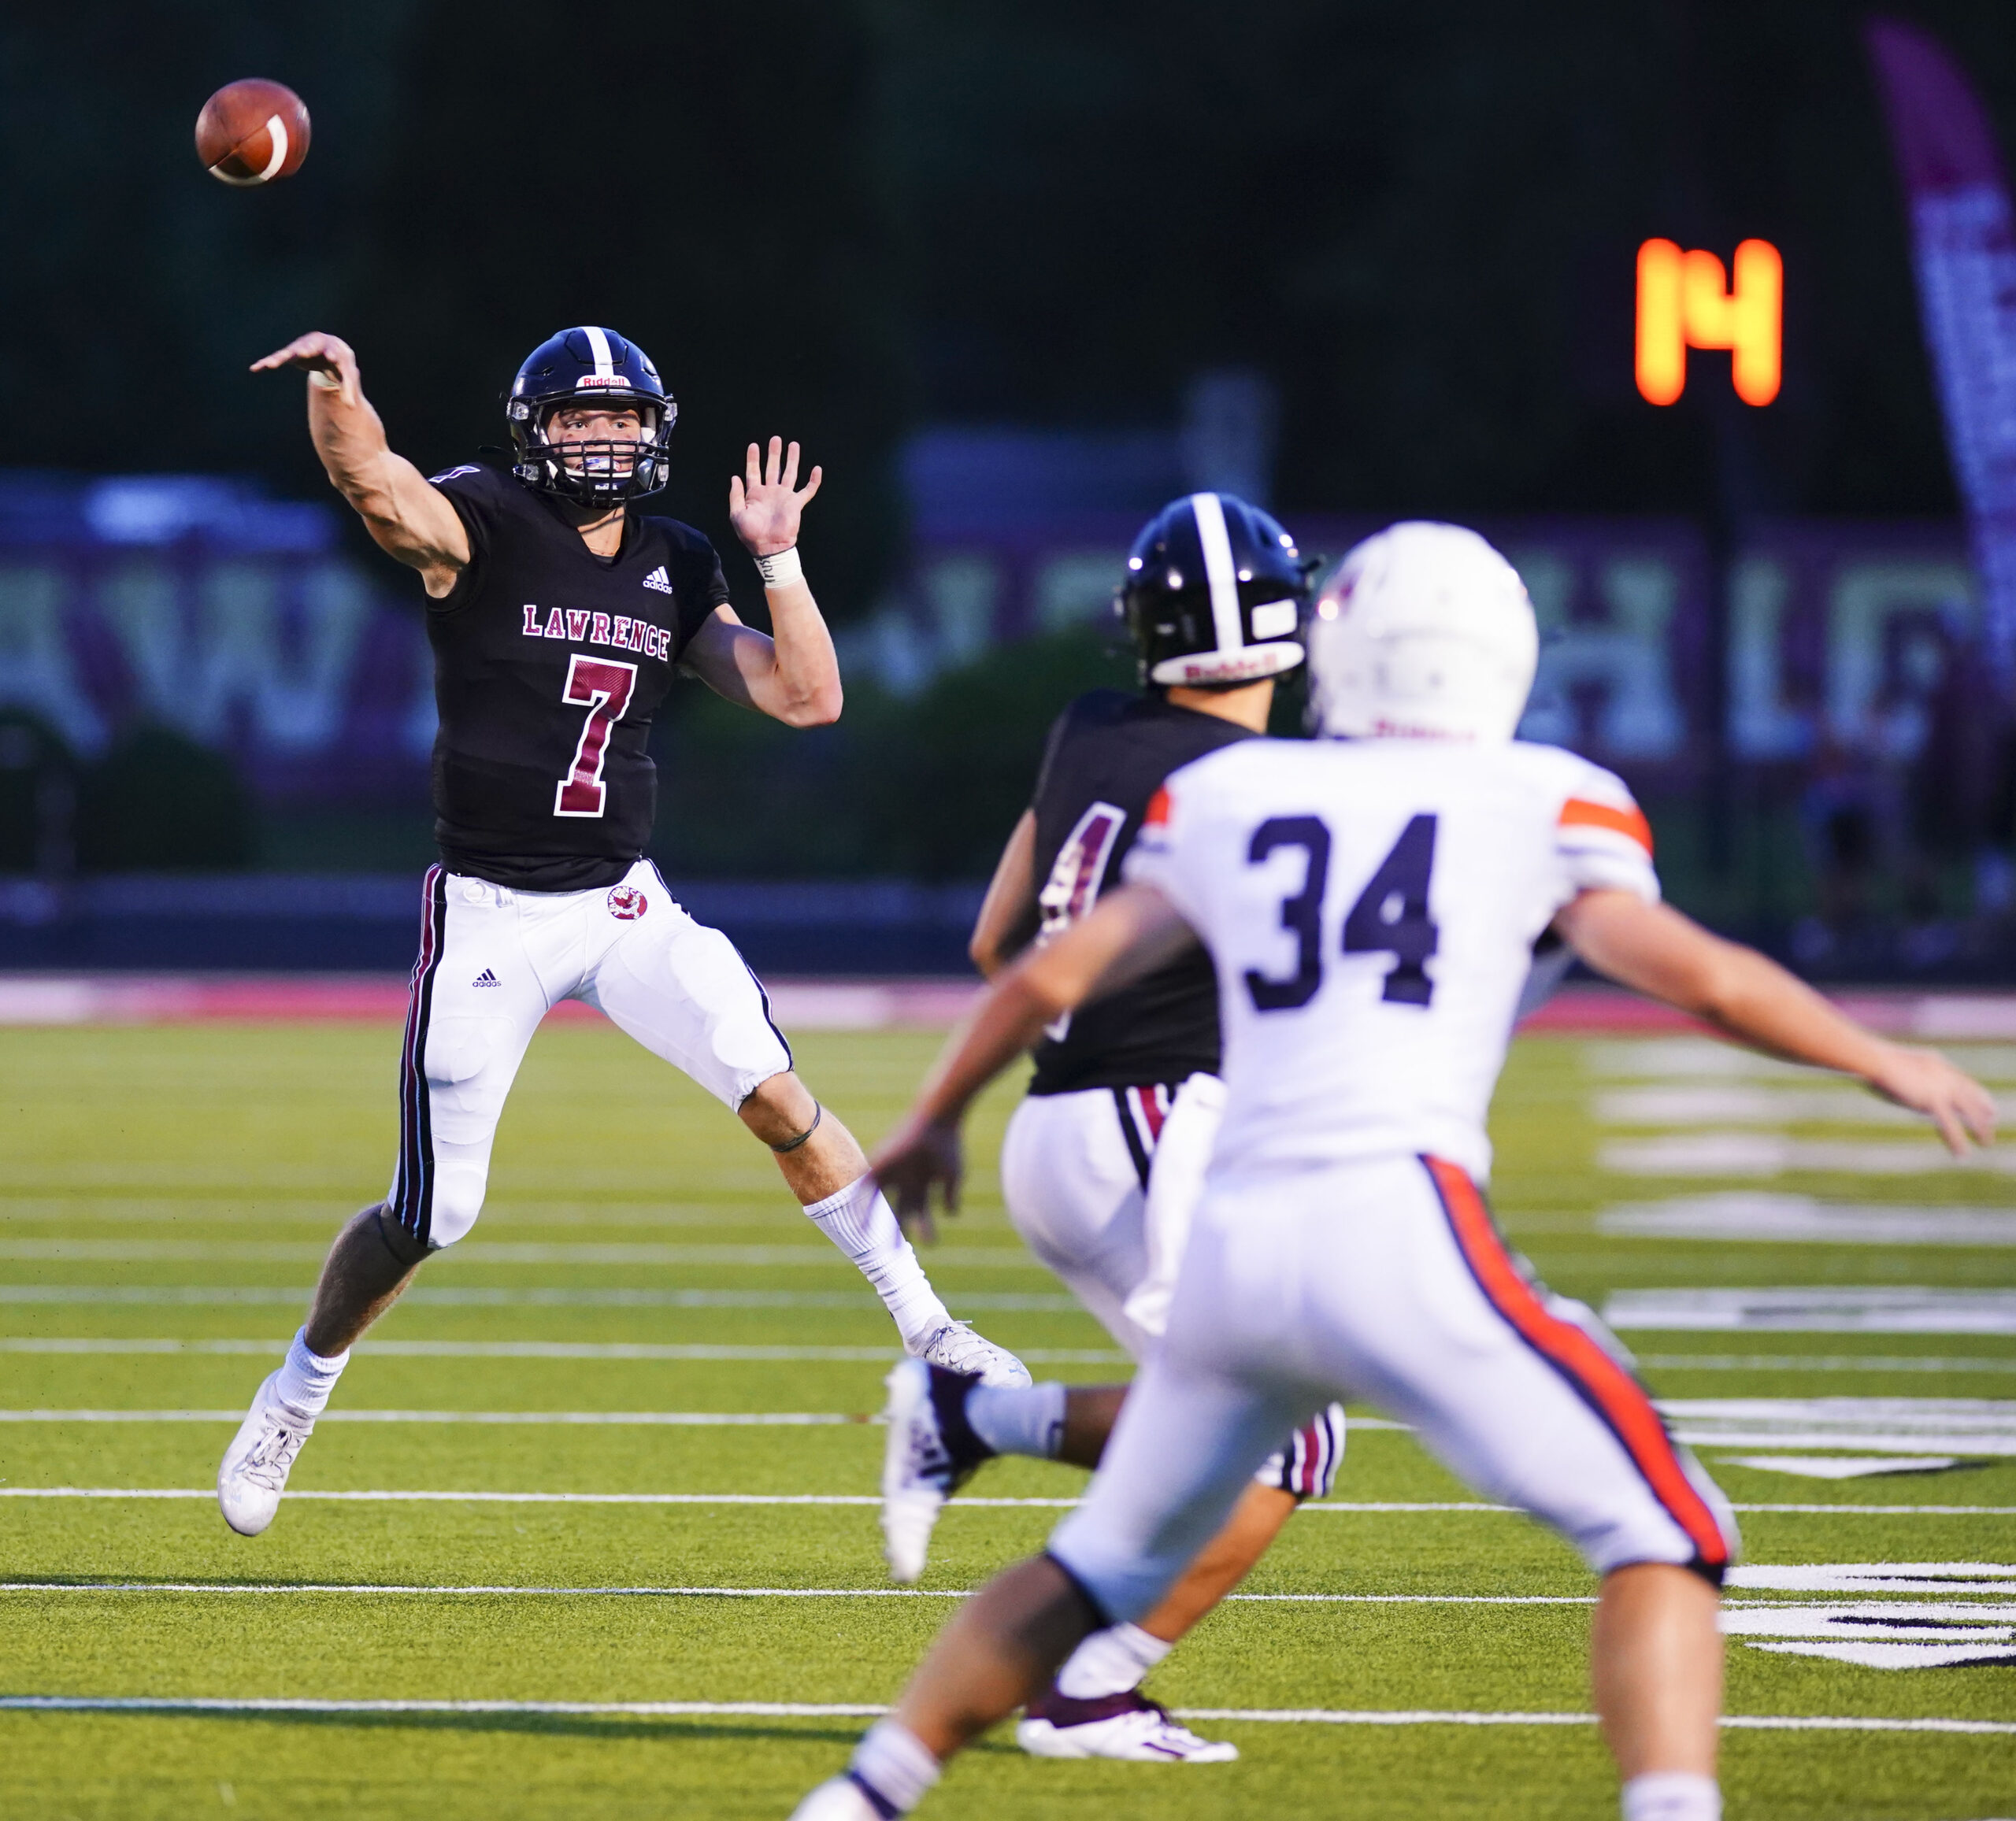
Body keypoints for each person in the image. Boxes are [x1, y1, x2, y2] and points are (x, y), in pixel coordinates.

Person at [793, 520, 1996, 1821]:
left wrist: (933, 1116)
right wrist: (1881, 1059)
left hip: (1243, 1229)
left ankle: (862, 1797)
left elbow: (1046, 967)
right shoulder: (1542, 795)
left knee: (1099, 1562)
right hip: (1396, 1223)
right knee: (1673, 1531)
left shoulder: (1234, 793)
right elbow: (1693, 972)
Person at [216, 324, 1025, 1540]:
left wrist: (784, 562)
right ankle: (296, 1390)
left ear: (656, 430)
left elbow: (807, 697)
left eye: (623, 418)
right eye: (580, 418)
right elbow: (377, 488)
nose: (604, 438)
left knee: (770, 1085)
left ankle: (932, 1329)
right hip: (492, 906)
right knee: (432, 1214)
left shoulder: (678, 559)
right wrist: (341, 396)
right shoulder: (484, 519)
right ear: (533, 430)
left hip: (622, 901)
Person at [879, 493, 1343, 1764]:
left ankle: (982, 1441)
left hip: (1073, 1117)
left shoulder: (1090, 727)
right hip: (1148, 1118)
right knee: (1289, 1436)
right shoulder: (1263, 782)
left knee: (1248, 1420)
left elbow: (996, 943)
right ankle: (1085, 1678)